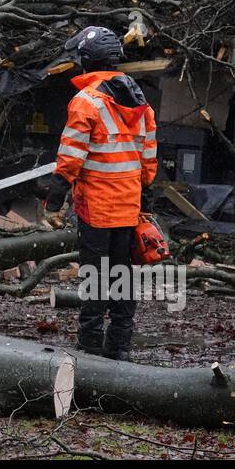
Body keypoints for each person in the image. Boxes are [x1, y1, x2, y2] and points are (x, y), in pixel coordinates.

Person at [39, 26, 157, 360]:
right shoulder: (141, 103)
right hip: (129, 207)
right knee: (122, 274)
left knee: (95, 275)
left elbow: (70, 157)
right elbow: (148, 160)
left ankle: (89, 346)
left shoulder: (86, 101)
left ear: (87, 61)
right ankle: (119, 346)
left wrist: (54, 201)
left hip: (96, 208)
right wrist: (144, 201)